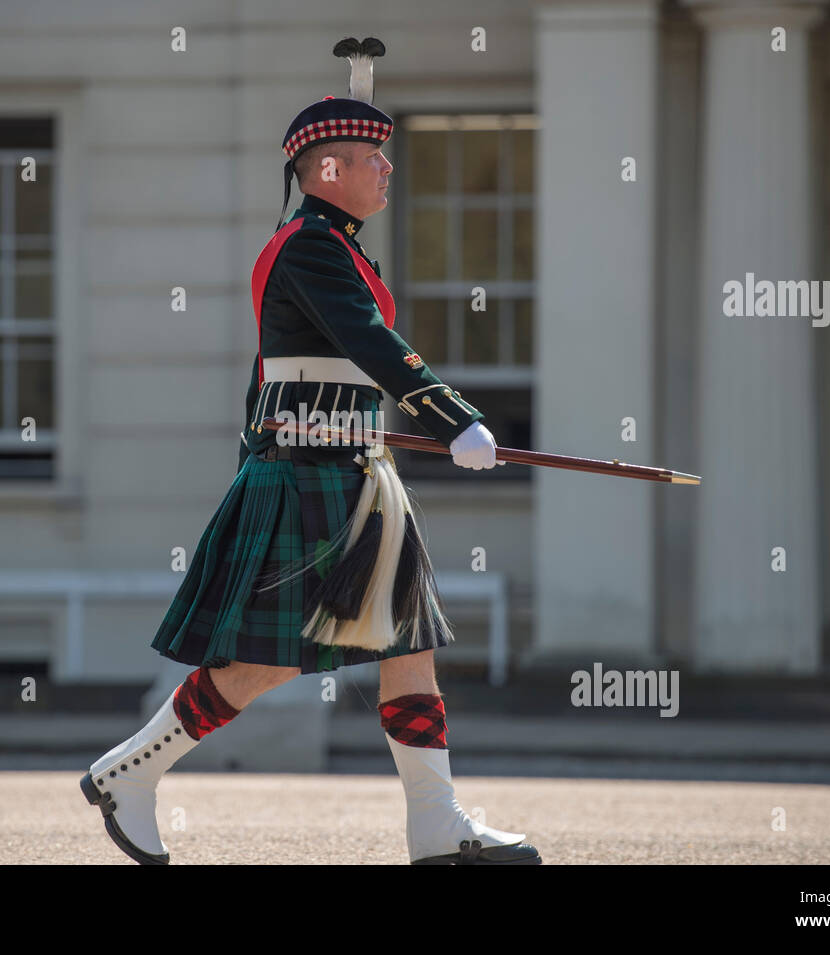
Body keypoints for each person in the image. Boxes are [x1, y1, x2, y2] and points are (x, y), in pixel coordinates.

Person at [80, 37, 539, 866]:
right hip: (312, 481)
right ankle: (128, 772)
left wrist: (323, 427)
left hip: (350, 472)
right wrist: (451, 416)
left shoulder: (332, 246)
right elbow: (367, 339)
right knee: (261, 663)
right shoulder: (310, 248)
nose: (387, 171)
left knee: (408, 647)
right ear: (328, 167)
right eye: (374, 157)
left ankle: (436, 826)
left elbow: (283, 371)